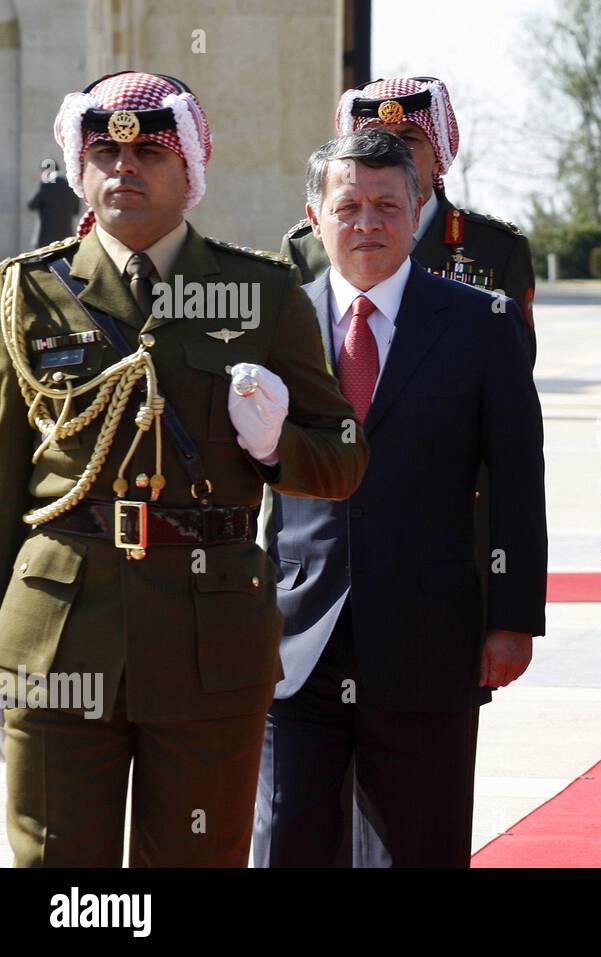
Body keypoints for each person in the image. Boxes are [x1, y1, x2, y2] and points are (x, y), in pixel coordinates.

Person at [0, 71, 368, 866]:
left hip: (210, 638)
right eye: (104, 151)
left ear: (191, 169)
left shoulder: (259, 293)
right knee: (57, 869)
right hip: (59, 635)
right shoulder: (27, 293)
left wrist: (275, 446)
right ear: (79, 165)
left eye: (149, 153)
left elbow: (342, 460)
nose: (123, 168)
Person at [253, 129, 545, 867]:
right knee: (286, 839)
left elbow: (516, 479)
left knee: (421, 843)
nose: (369, 223)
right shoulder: (267, 325)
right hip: (292, 637)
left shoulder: (483, 324)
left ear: (418, 210)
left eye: (388, 204)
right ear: (314, 218)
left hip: (431, 638)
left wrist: (512, 620)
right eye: (348, 205)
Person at [281, 76, 536, 362]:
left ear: (439, 155)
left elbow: (513, 363)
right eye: (374, 137)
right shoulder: (305, 245)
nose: (391, 151)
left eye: (408, 138)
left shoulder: (496, 247)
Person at [27, 158, 82, 247]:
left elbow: (31, 205)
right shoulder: (70, 184)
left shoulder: (45, 183)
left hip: (46, 238)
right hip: (66, 238)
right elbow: (76, 211)